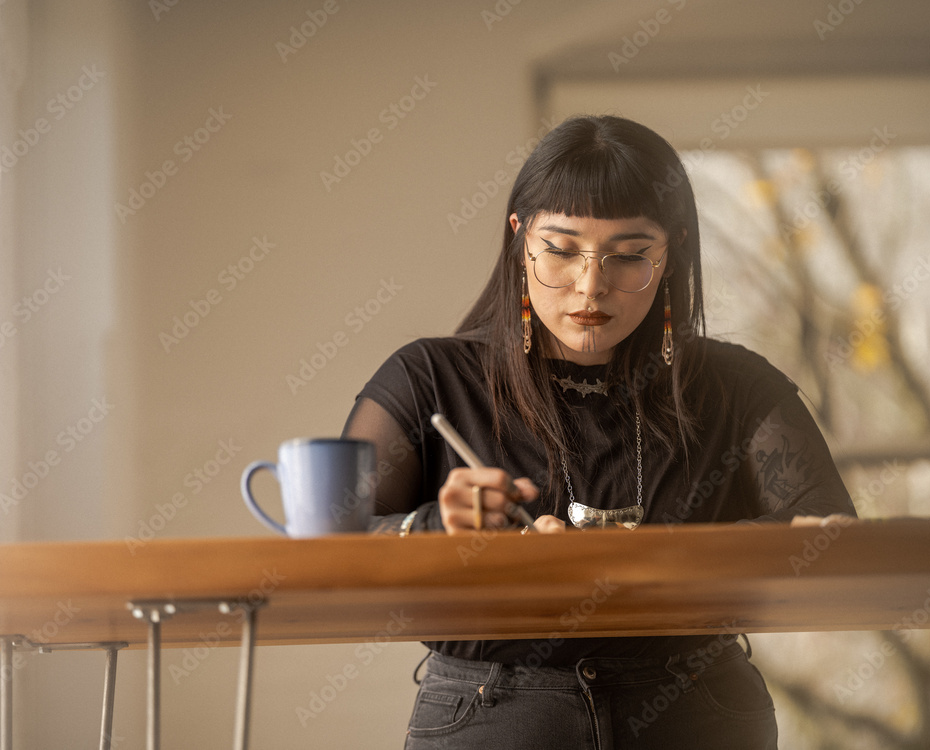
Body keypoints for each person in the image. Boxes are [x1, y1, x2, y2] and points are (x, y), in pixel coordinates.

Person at [341, 114, 855, 749]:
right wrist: (434, 531)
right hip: (491, 715)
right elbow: (329, 542)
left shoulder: (736, 385)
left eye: (630, 255)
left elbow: (829, 534)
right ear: (519, 238)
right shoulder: (430, 378)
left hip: (698, 711)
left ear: (671, 254)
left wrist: (652, 554)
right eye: (560, 249)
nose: (591, 285)